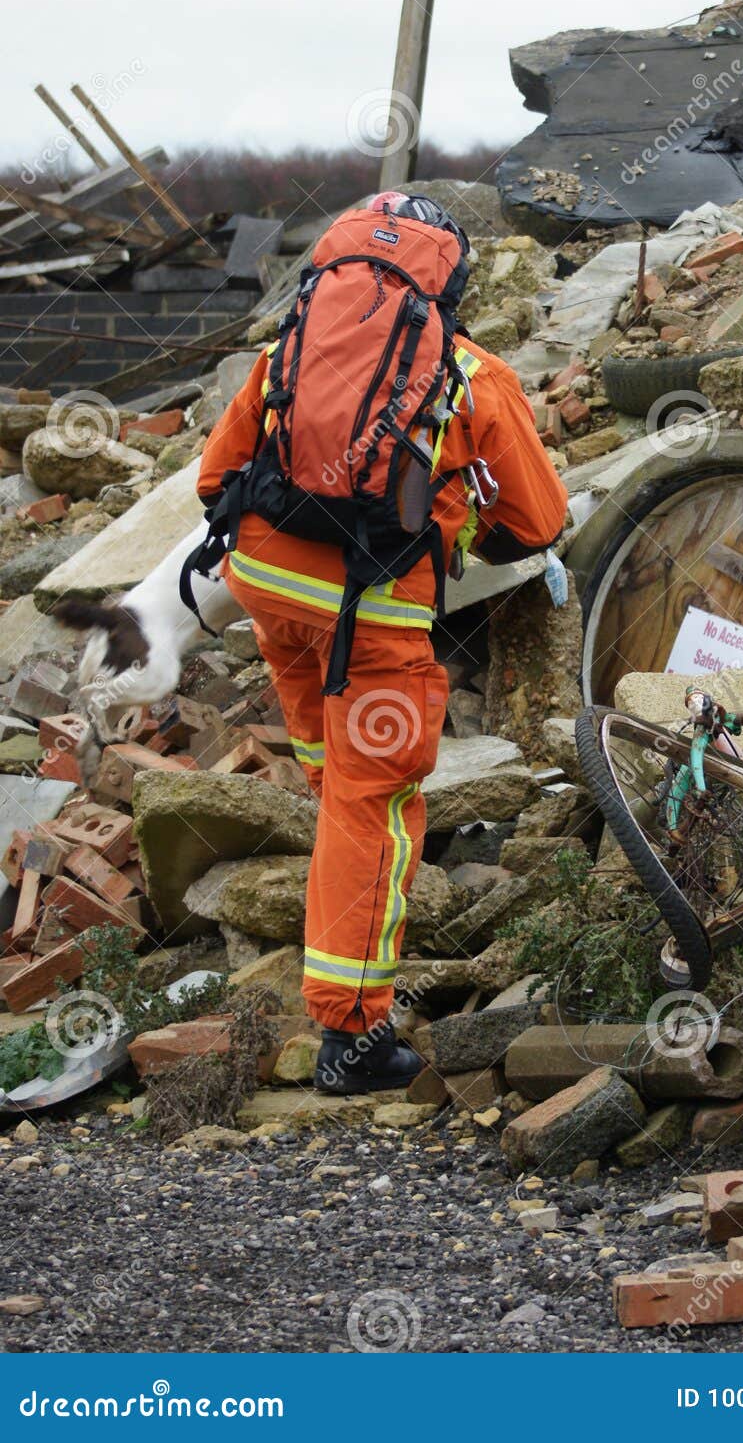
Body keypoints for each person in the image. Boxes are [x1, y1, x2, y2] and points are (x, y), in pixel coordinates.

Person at [195, 194, 568, 1094]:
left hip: (267, 592)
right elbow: (539, 517)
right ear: (453, 283)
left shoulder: (290, 345)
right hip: (369, 615)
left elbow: (215, 477)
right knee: (377, 802)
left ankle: (343, 903)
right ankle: (352, 1038)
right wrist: (460, 532)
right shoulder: (471, 375)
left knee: (337, 782)